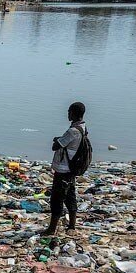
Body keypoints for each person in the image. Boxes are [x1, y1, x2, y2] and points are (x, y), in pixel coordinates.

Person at [43, 101, 87, 236]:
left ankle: (52, 229)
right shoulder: (82, 128)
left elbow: (55, 147)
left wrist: (57, 140)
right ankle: (72, 226)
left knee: (57, 199)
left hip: (63, 169)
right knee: (70, 196)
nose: (67, 114)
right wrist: (60, 139)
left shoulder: (72, 131)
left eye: (69, 111)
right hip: (71, 170)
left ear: (73, 113)